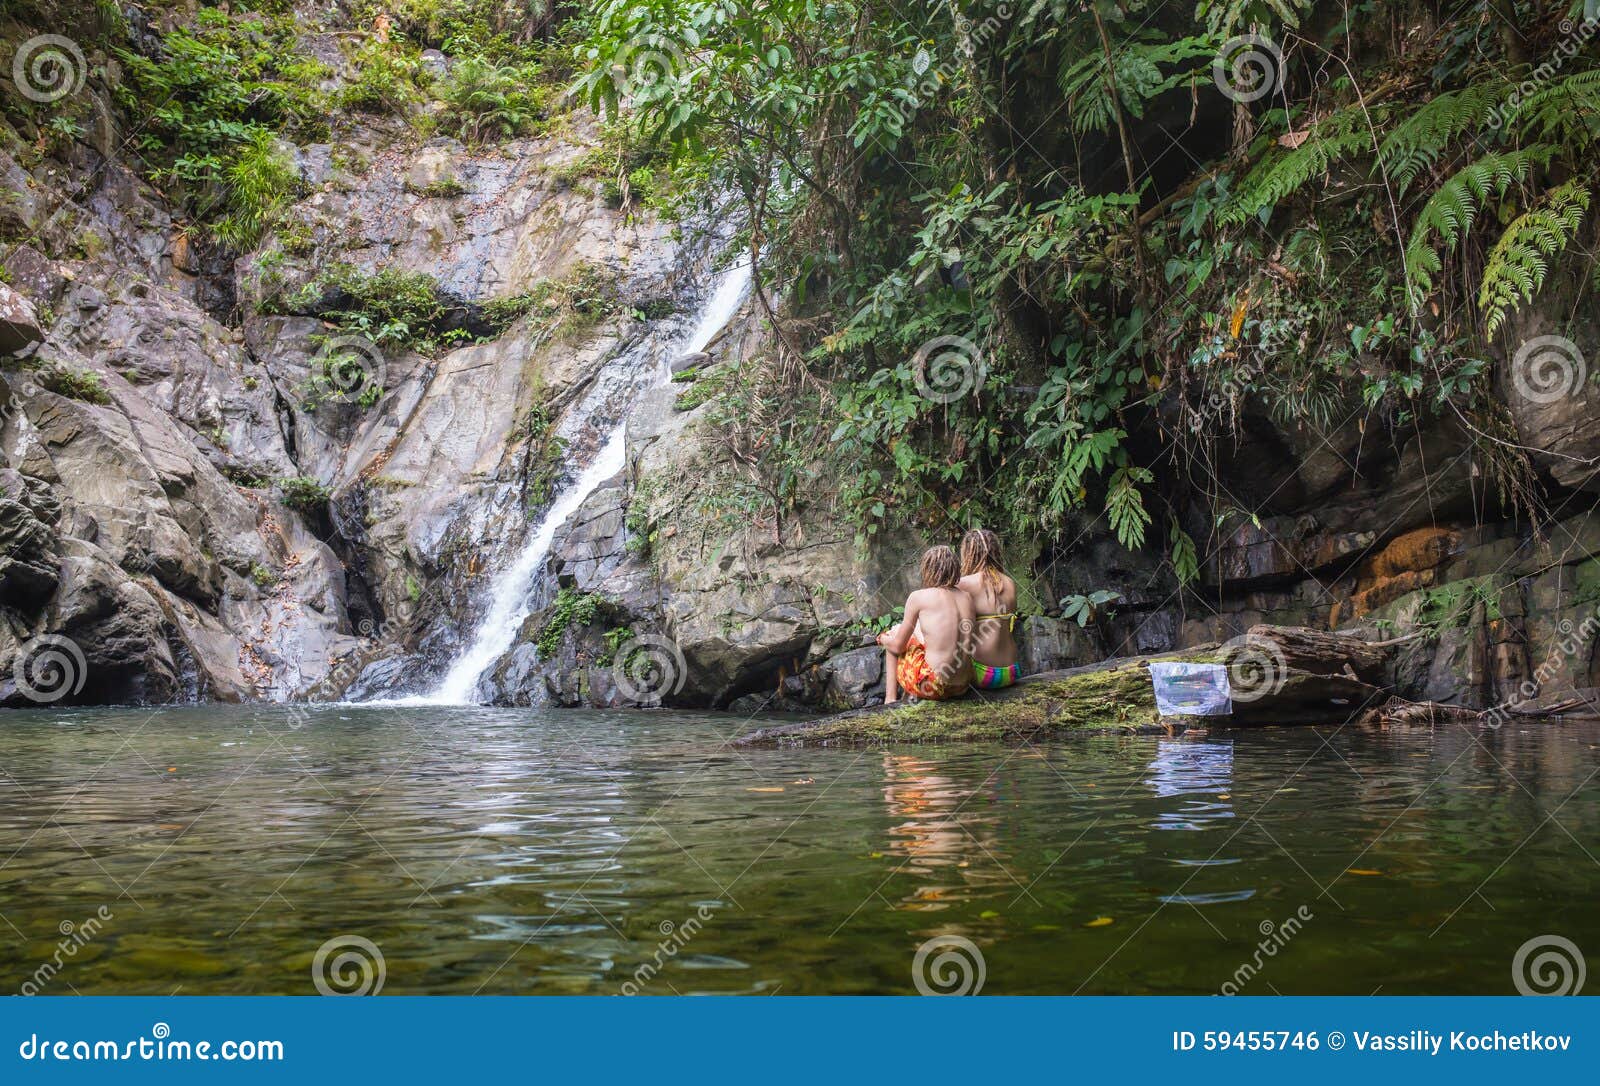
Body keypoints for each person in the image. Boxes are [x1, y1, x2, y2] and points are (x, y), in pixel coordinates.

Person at [877, 546, 977, 703]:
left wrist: (882, 638)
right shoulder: (967, 597)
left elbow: (898, 647)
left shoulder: (918, 597)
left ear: (927, 569)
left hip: (935, 685)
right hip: (963, 685)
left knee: (892, 637)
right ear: (955, 568)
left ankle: (890, 700)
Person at [958, 528, 1021, 689]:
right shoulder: (1010, 583)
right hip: (1012, 671)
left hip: (983, 673)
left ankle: (892, 698)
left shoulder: (963, 584)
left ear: (968, 553)